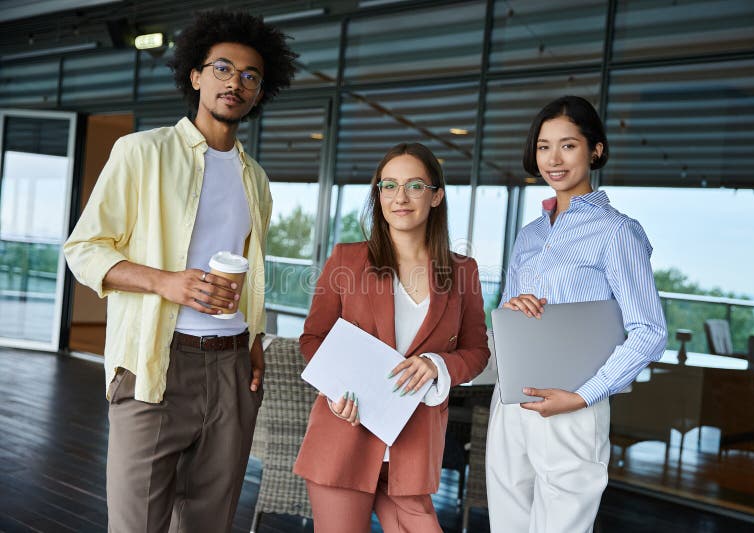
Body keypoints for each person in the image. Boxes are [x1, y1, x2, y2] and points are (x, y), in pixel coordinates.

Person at [63, 10, 296, 533]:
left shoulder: (255, 179)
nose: (235, 82)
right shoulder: (141, 152)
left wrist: (255, 337)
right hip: (155, 365)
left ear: (261, 90)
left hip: (234, 368)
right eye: (222, 68)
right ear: (195, 74)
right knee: (135, 522)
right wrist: (167, 282)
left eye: (250, 75)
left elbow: (250, 273)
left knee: (207, 524)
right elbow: (84, 249)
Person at [485, 95, 668, 533]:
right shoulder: (529, 235)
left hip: (572, 404)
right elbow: (508, 315)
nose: (553, 158)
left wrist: (586, 395)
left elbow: (649, 331)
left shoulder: (616, 231)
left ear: (595, 150)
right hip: (512, 402)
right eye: (544, 146)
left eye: (568, 145)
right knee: (506, 522)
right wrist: (510, 308)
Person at [293, 143, 490, 533]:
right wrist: (337, 390)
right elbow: (314, 337)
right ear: (378, 194)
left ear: (436, 196)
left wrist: (438, 365)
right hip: (344, 438)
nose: (400, 197)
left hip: (413, 449)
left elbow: (477, 351)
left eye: (415, 186)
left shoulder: (463, 271)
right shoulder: (347, 260)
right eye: (388, 186)